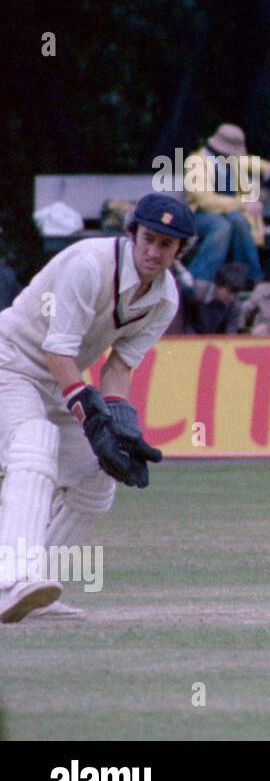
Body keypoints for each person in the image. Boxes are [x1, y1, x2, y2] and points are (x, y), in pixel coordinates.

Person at [0, 193, 194, 622]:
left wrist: (121, 423)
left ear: (181, 250)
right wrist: (91, 417)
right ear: (132, 234)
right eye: (149, 239)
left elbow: (119, 366)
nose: (153, 251)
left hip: (54, 383)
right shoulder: (88, 265)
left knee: (97, 475)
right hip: (10, 362)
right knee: (35, 441)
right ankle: (12, 577)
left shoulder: (164, 299)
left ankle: (35, 590)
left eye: (166, 244)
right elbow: (58, 353)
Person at [183, 123, 270, 296]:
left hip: (228, 214)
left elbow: (269, 168)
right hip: (200, 215)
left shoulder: (233, 160)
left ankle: (246, 278)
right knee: (222, 227)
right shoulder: (196, 162)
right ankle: (198, 281)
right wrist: (244, 202)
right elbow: (205, 201)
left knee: (239, 221)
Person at [196, 262, 247, 335]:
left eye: (235, 294)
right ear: (218, 285)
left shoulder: (235, 306)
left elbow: (230, 336)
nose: (232, 298)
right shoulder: (197, 292)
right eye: (229, 291)